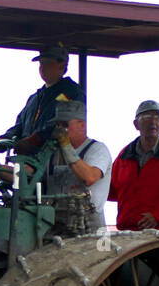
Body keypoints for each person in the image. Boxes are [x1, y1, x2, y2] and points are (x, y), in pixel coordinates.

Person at [108, 100, 159, 231]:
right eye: (146, 117)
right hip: (127, 234)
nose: (152, 122)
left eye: (157, 117)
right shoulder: (124, 156)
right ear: (136, 124)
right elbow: (110, 190)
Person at [1, 45, 84, 152]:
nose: (42, 67)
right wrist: (5, 138)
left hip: (55, 161)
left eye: (48, 63)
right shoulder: (34, 99)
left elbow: (63, 125)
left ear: (62, 66)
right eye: (41, 63)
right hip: (26, 161)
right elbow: (20, 126)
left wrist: (36, 139)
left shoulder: (70, 93)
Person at [45, 99, 112, 232]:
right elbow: (28, 175)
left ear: (82, 125)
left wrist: (66, 146)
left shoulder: (97, 149)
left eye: (65, 124)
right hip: (56, 222)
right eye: (57, 124)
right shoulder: (52, 152)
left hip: (88, 223)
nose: (60, 129)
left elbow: (89, 177)